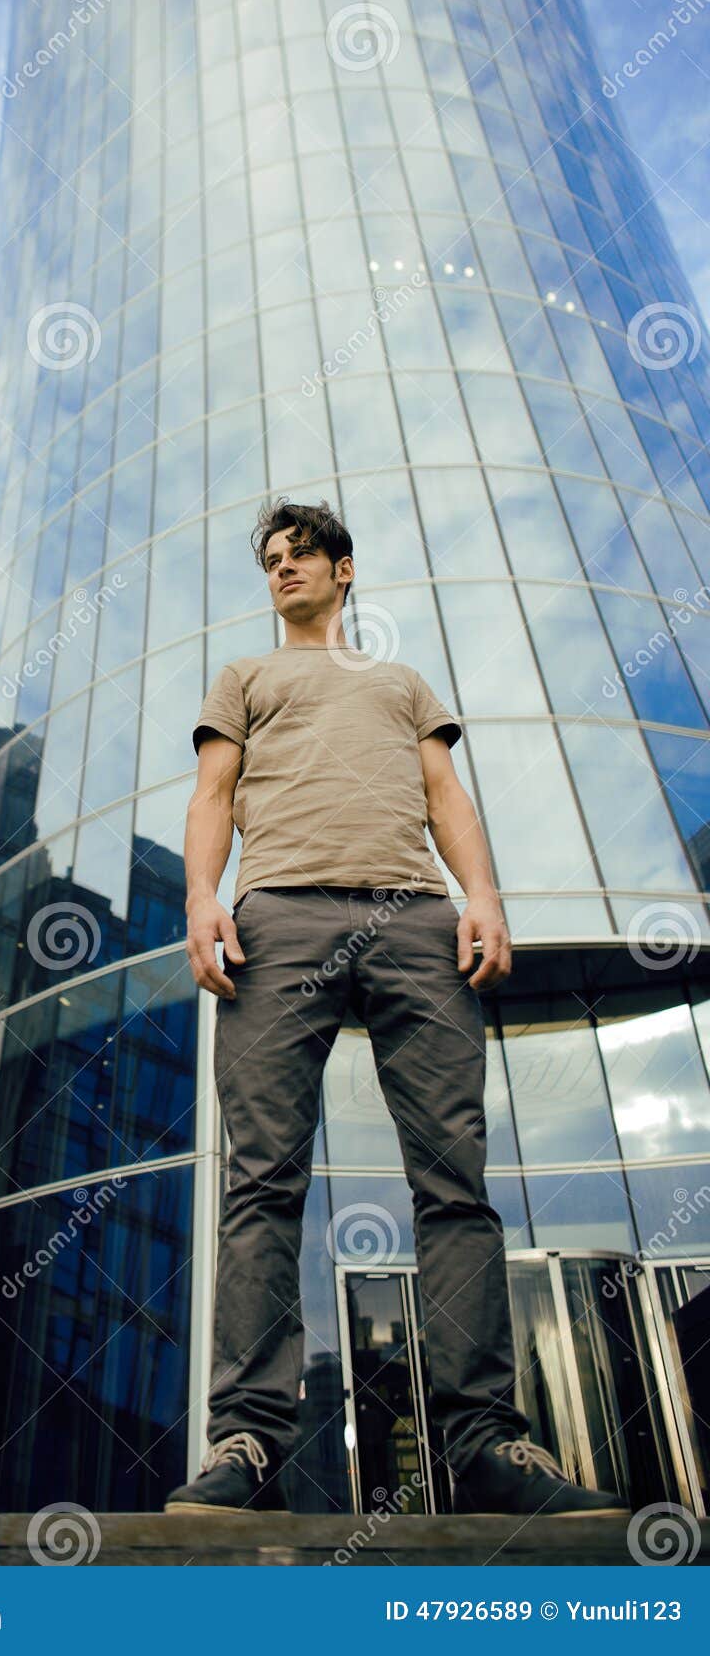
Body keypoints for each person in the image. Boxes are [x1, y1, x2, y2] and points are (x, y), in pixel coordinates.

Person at [164, 497, 627, 1519]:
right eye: (271, 560)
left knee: (452, 1182)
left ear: (343, 571)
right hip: (275, 916)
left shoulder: (398, 682)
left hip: (413, 918)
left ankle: (485, 1442)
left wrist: (484, 899)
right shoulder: (244, 677)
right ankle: (246, 1439)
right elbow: (209, 793)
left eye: (301, 555)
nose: (282, 568)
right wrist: (201, 898)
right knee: (260, 1181)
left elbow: (443, 795)